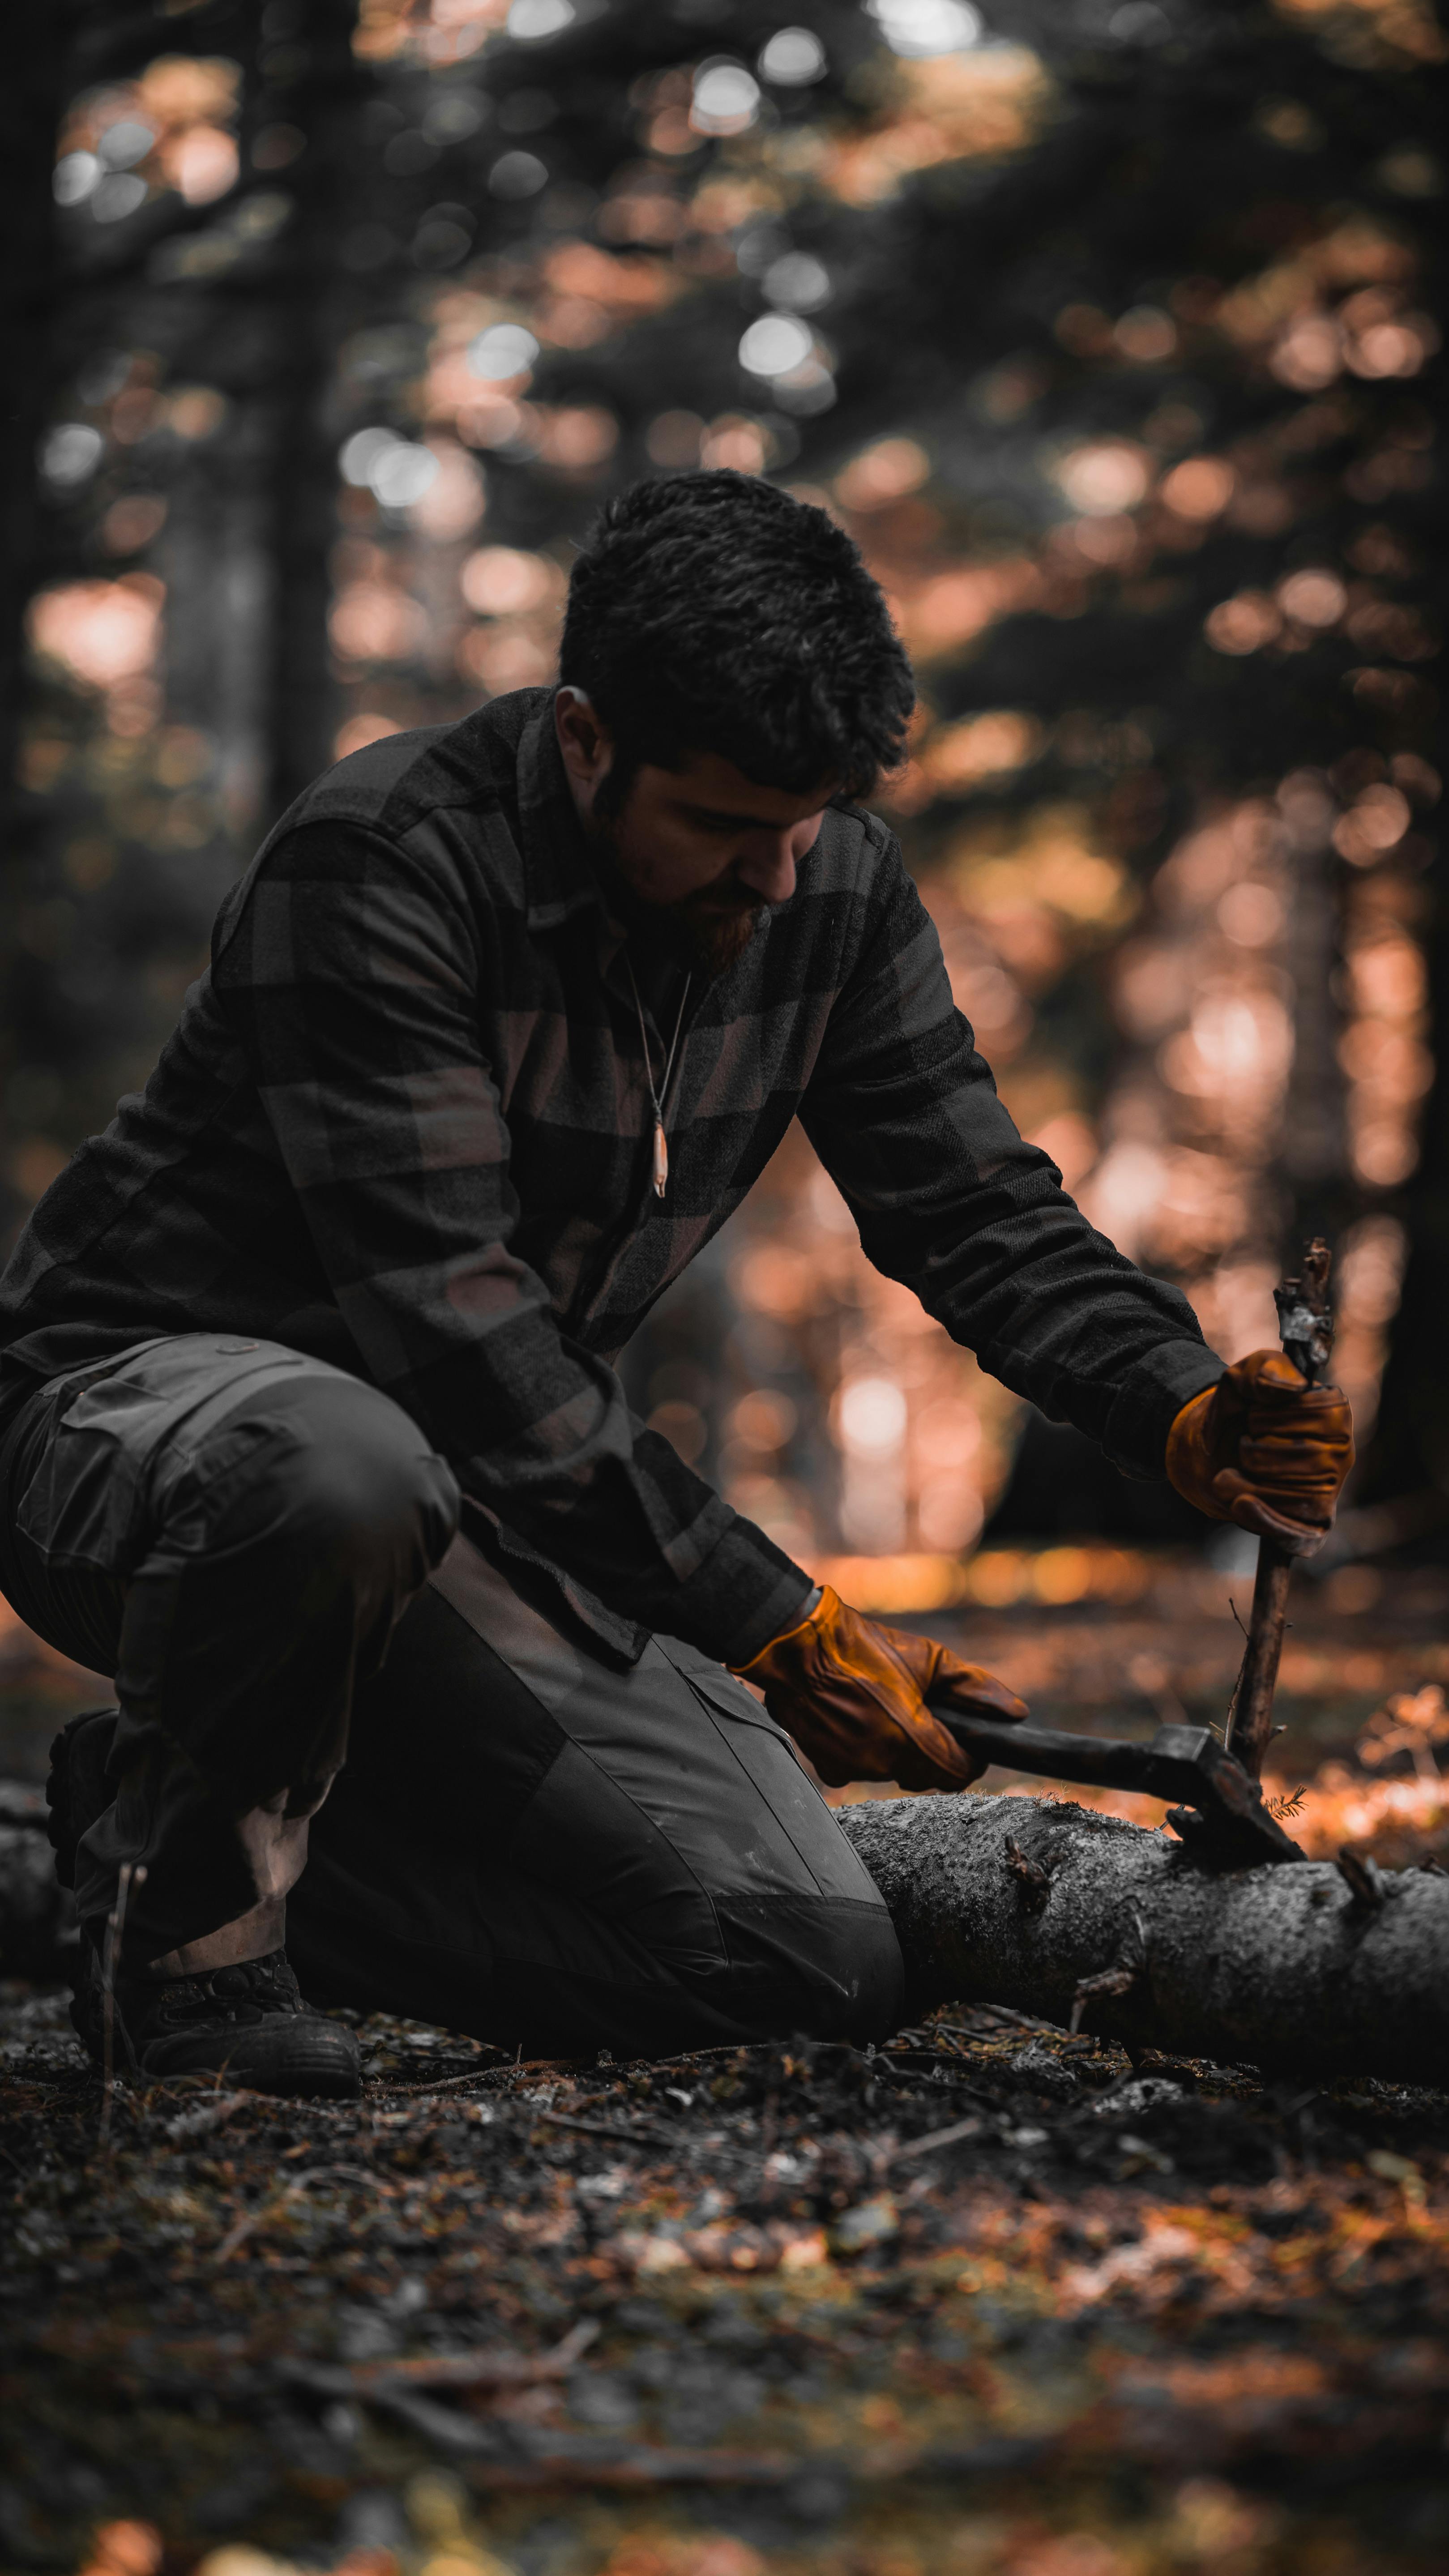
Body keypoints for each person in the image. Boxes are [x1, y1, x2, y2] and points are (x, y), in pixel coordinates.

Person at [0, 473, 1352, 2096]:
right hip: (146, 1439)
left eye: (811, 821)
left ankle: (135, 1831)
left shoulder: (828, 881)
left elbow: (973, 1202)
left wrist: (1176, 1397)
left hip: (474, 1502)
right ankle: (190, 1959)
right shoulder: (383, 864)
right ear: (585, 741)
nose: (778, 877)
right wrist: (777, 1621)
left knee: (806, 1954)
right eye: (724, 825)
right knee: (335, 1458)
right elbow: (460, 1338)